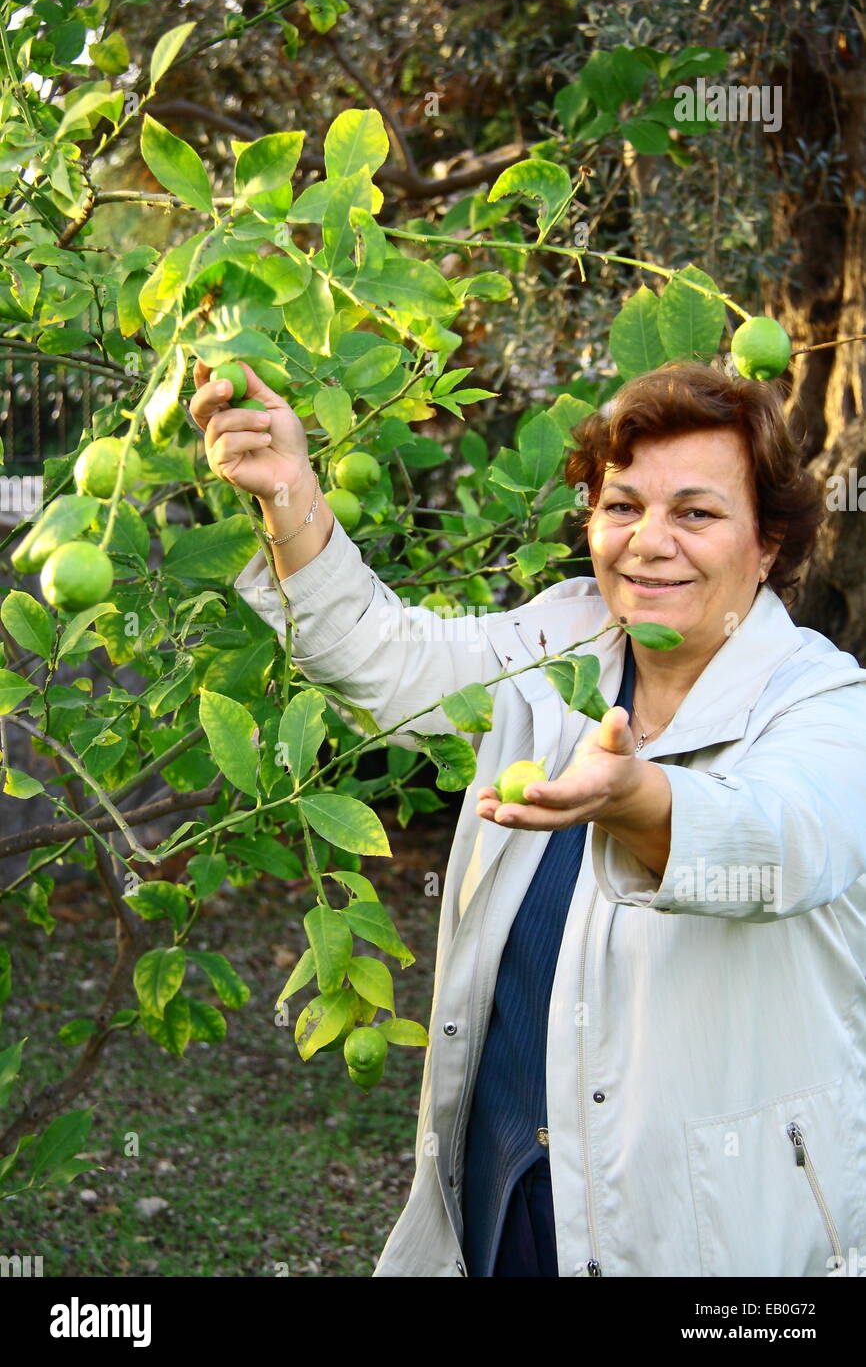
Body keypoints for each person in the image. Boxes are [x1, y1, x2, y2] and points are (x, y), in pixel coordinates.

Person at [190, 357, 866, 1278]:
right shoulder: (563, 639)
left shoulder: (826, 702)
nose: (648, 542)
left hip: (706, 1236)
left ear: (769, 544)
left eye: (696, 514)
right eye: (622, 506)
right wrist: (288, 492)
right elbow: (387, 659)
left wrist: (636, 802)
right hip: (508, 1197)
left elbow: (783, 844)